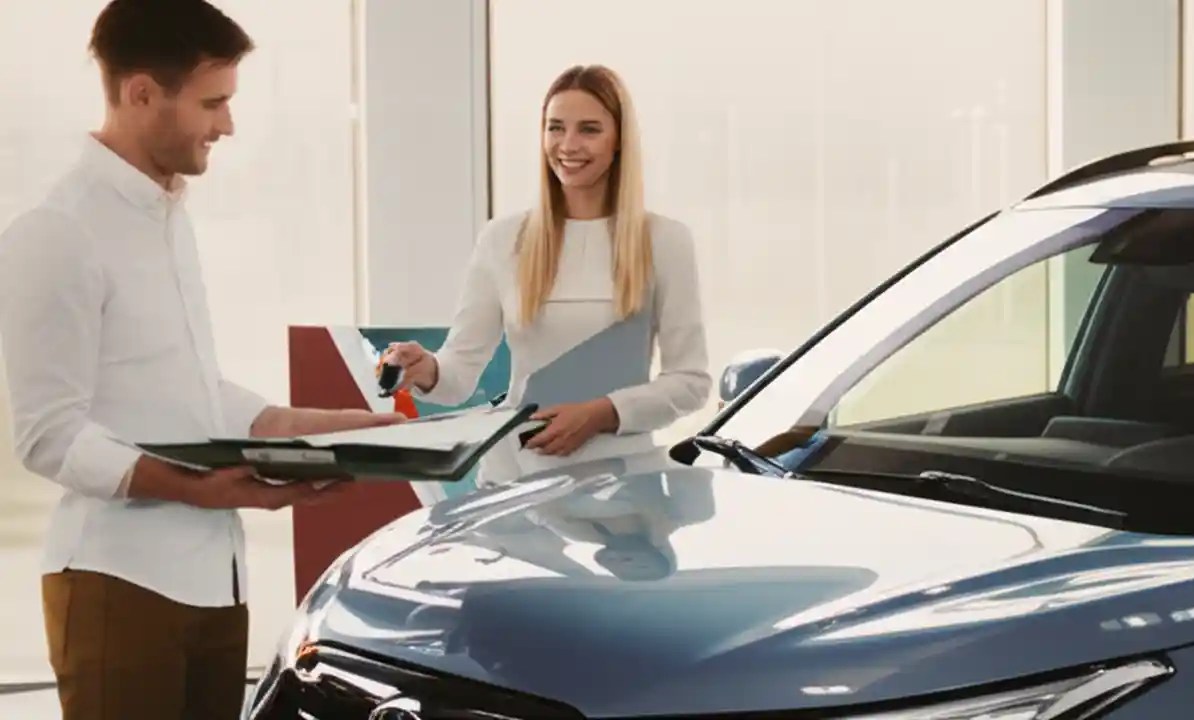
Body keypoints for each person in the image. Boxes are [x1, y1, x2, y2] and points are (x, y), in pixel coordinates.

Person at [0, 2, 402, 718]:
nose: (227, 125)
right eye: (213, 102)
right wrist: (207, 489)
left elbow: (189, 393)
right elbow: (47, 435)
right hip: (118, 583)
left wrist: (356, 429)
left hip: (218, 583)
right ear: (142, 93)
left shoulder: (168, 217)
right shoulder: (57, 232)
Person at [386, 64, 711, 486]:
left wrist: (603, 413)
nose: (568, 145)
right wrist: (424, 368)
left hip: (623, 487)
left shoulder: (664, 241)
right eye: (555, 128)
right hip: (512, 482)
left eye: (589, 129)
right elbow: (459, 373)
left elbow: (690, 382)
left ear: (619, 142)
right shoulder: (503, 239)